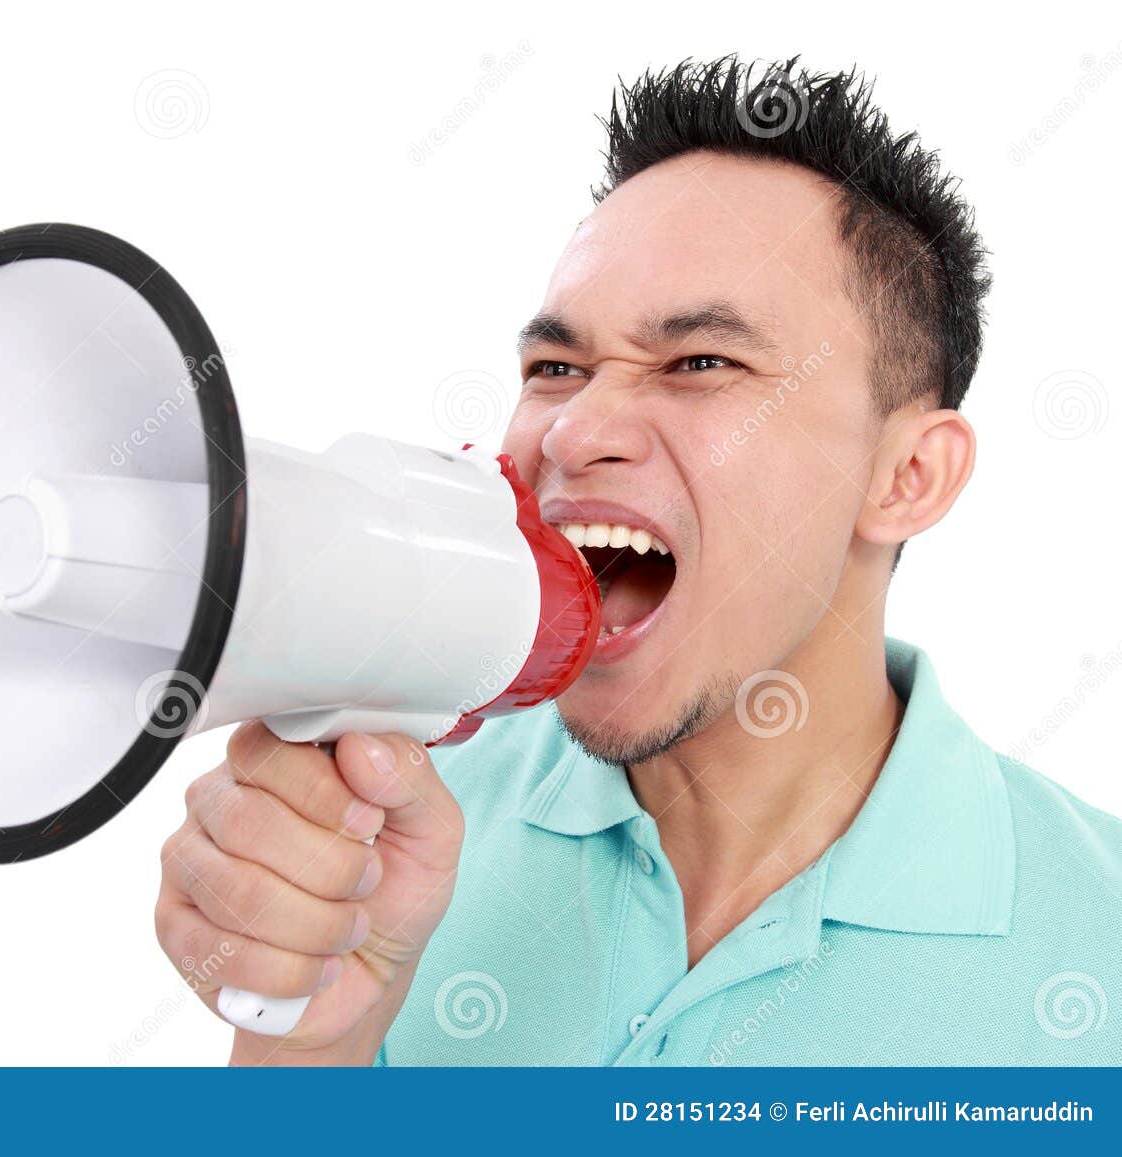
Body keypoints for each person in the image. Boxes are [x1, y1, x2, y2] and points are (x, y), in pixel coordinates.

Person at [154, 56, 1122, 1065]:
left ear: (908, 474)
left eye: (702, 363)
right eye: (555, 368)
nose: (574, 429)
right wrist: (314, 1035)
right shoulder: (389, 831)